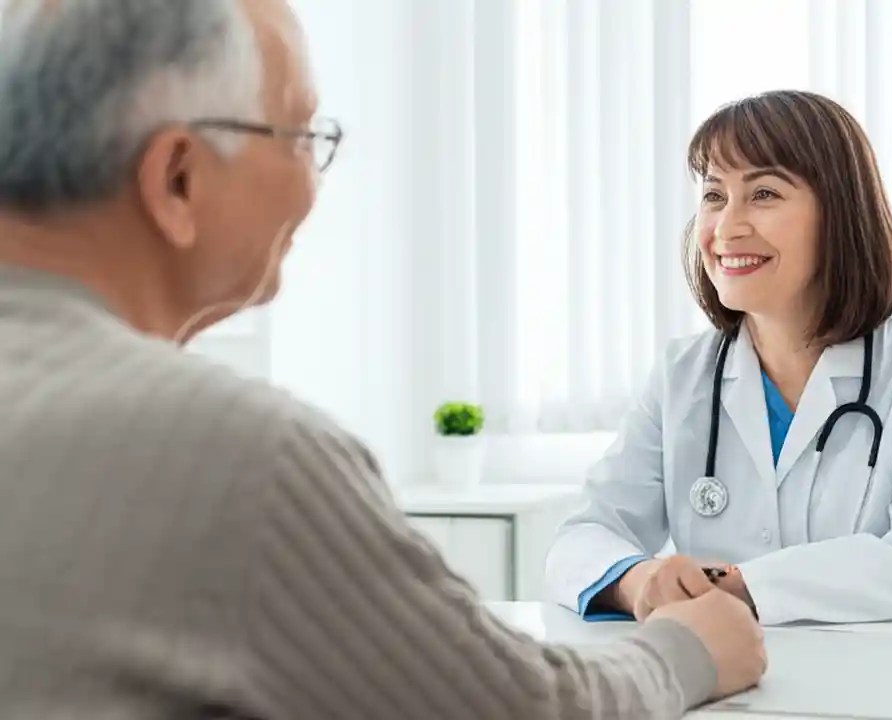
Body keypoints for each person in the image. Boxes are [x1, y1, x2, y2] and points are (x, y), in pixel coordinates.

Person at [0, 1, 766, 718]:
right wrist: (687, 650)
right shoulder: (234, 454)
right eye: (303, 136)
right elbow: (520, 708)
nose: (314, 180)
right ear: (178, 178)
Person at [545, 90, 892, 627]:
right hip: (720, 682)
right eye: (714, 195)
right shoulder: (683, 374)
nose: (727, 227)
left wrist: (738, 586)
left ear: (841, 213)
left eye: (763, 194)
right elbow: (580, 539)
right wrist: (639, 581)